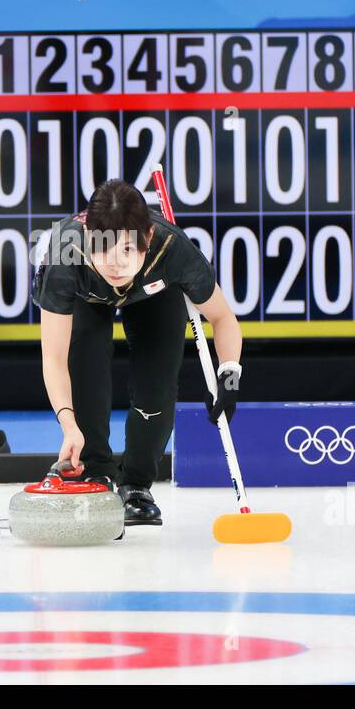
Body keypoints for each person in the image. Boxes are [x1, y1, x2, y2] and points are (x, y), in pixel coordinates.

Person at [33, 179, 243, 524]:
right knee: (84, 363)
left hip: (154, 294)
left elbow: (223, 318)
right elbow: (53, 358)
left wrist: (230, 373)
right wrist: (68, 425)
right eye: (104, 250)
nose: (115, 265)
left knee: (157, 381)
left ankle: (136, 485)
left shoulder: (172, 249)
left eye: (127, 251)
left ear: (146, 238)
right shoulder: (64, 254)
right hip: (88, 297)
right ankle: (94, 471)